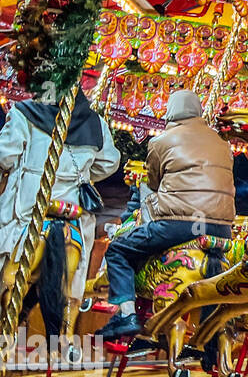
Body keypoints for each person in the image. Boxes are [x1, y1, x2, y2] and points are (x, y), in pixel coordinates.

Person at [98, 90, 235, 342]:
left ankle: (126, 314)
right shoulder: (222, 144)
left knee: (118, 249)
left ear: (171, 111)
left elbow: (153, 182)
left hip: (180, 225)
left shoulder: (161, 141)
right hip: (221, 228)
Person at [0, 86, 120, 331]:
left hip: (29, 208)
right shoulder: (96, 123)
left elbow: (4, 156)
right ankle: (63, 345)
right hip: (72, 211)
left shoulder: (24, 113)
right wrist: (82, 176)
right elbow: (110, 162)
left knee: (8, 276)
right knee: (71, 285)